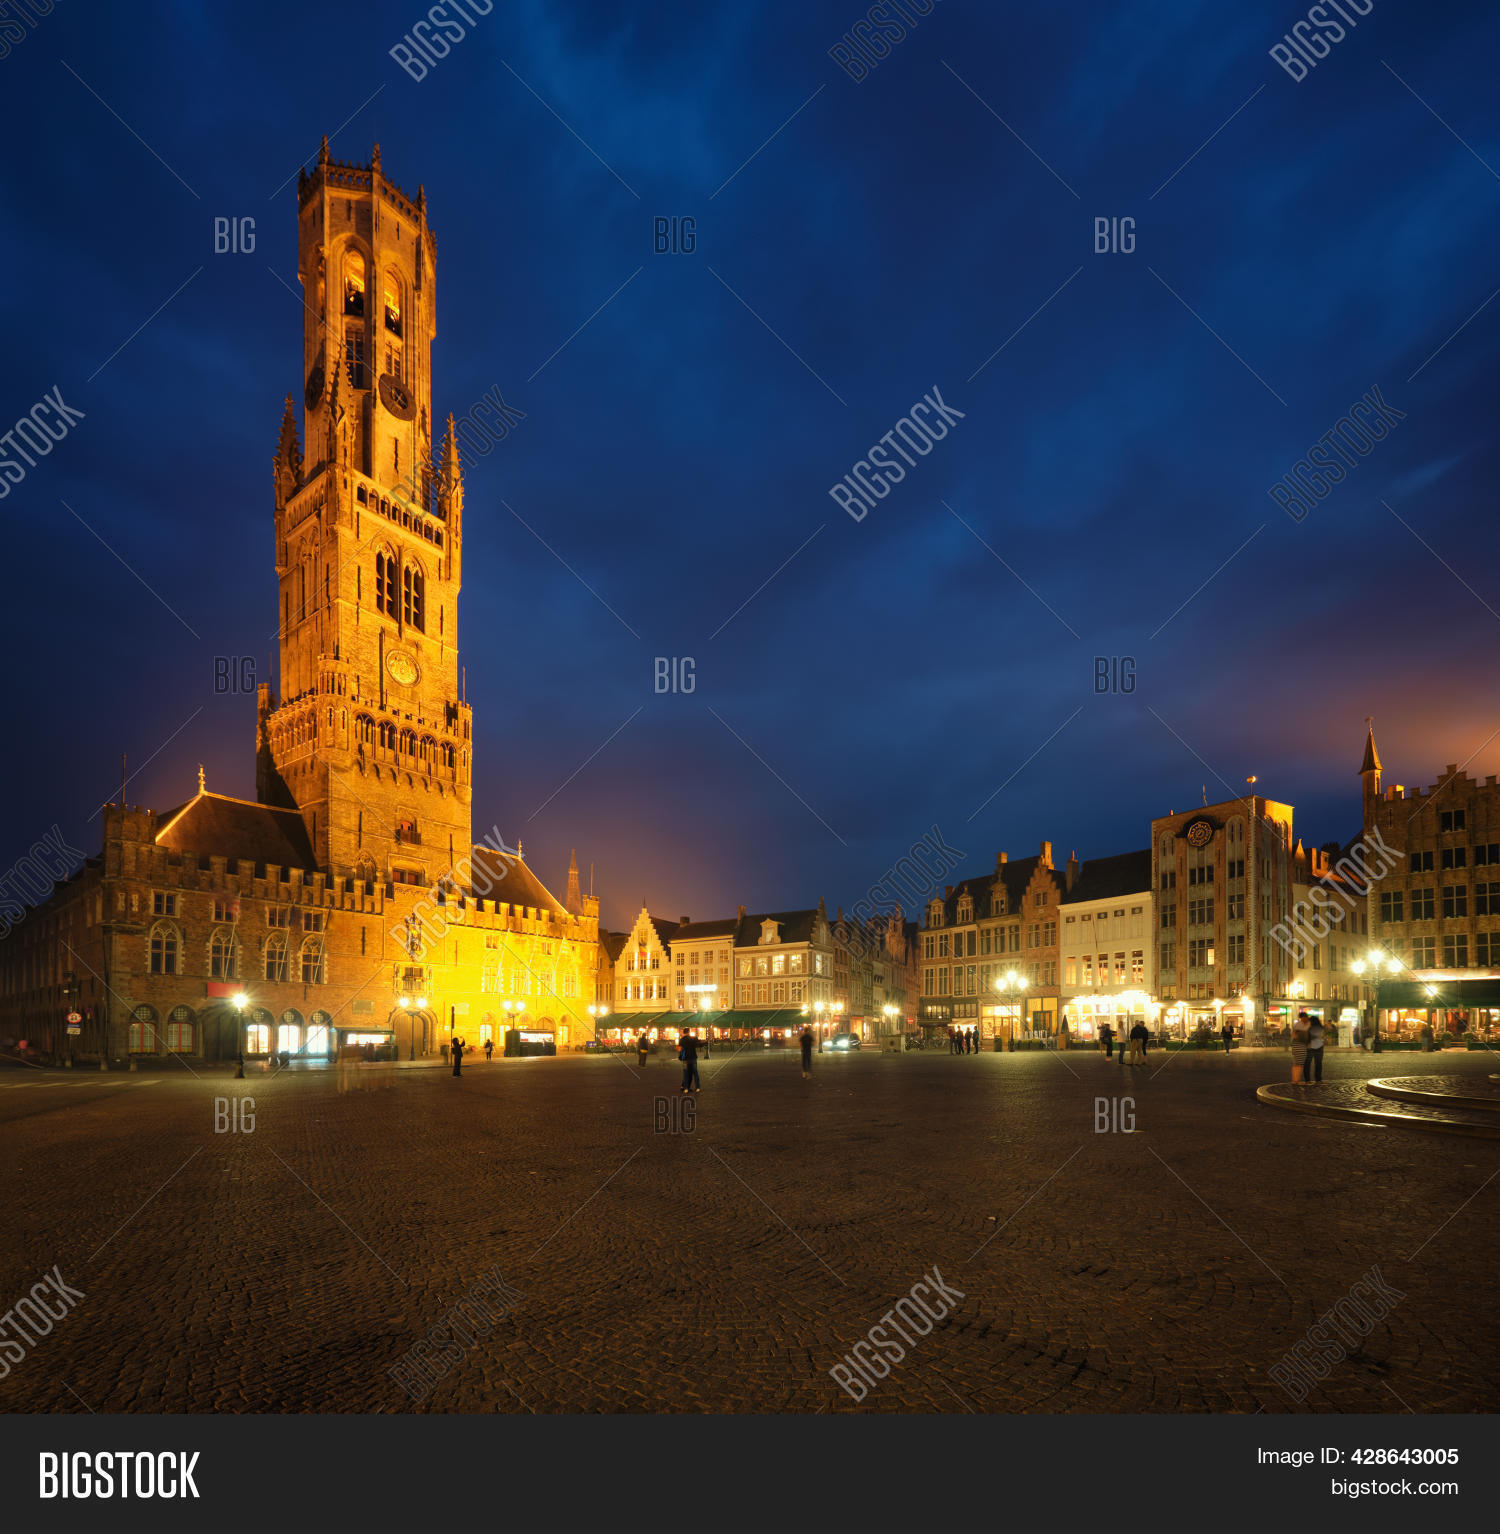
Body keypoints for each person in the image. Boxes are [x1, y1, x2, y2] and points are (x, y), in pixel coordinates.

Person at [1290, 1011, 1310, 1083]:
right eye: (1303, 1018)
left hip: (1300, 1045)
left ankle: (1295, 1079)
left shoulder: (1300, 1024)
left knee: (1297, 1063)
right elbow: (1293, 1034)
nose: (1304, 1019)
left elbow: (1292, 1034)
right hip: (1299, 1045)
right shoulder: (1299, 1025)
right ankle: (1296, 1080)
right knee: (1299, 1063)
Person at [1304, 1014, 1325, 1082]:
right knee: (1318, 1063)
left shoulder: (1310, 1028)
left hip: (1311, 1047)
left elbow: (1309, 1037)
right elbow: (1321, 1036)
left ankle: (1307, 1080)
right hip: (1319, 1046)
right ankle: (1318, 1079)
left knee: (1307, 1064)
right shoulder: (1320, 1028)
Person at [679, 1030, 700, 1094]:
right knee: (695, 1073)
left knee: (685, 1073)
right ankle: (697, 1087)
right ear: (689, 1032)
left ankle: (686, 1088)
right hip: (693, 1058)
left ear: (683, 1032)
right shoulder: (692, 1038)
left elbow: (679, 1049)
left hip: (685, 1059)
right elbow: (697, 1043)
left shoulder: (681, 1040)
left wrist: (680, 1055)